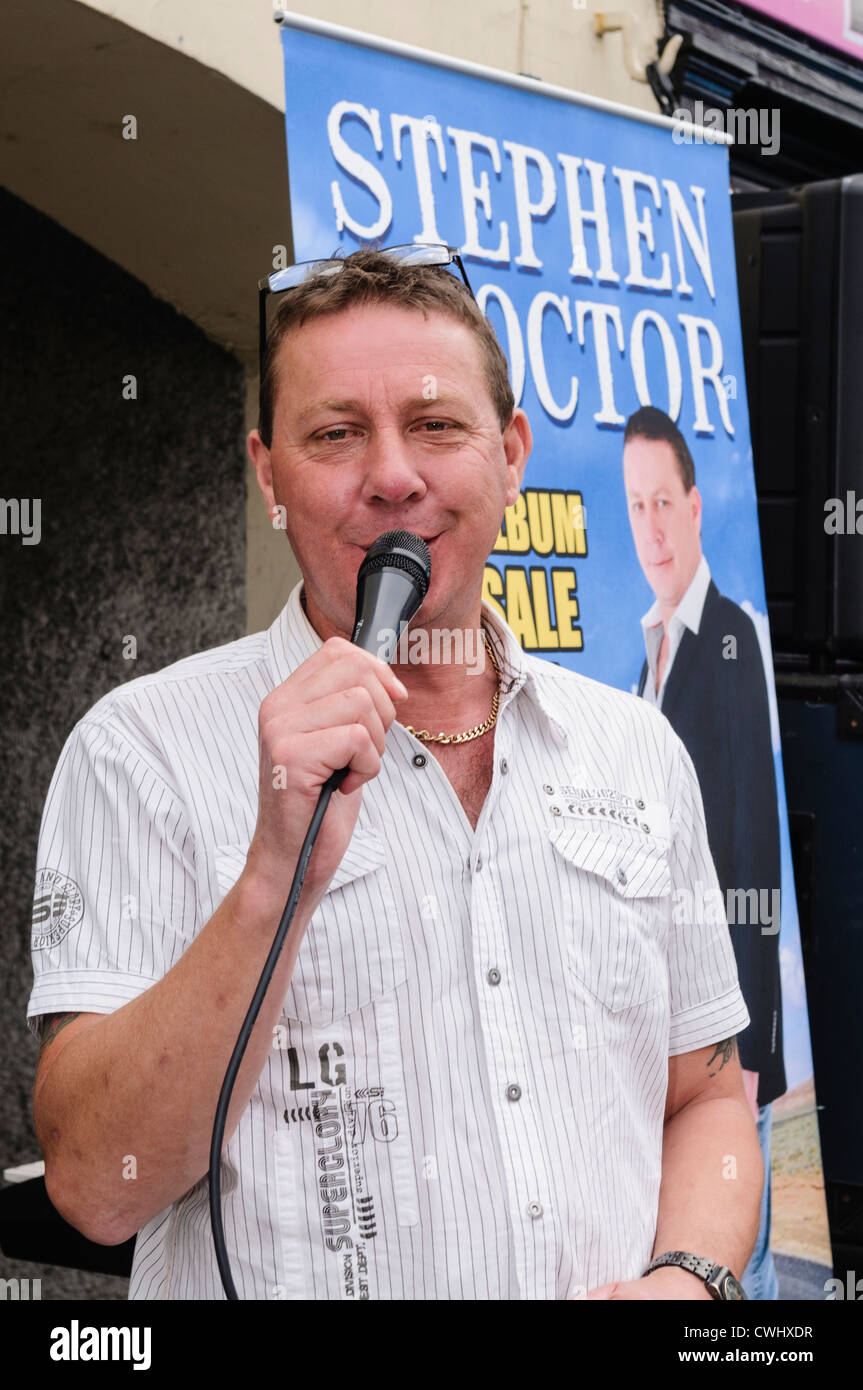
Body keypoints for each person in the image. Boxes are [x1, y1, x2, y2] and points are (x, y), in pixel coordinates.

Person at [28, 249, 761, 1301]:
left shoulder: (635, 747)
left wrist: (686, 1282)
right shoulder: (139, 748)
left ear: (510, 456)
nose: (391, 474)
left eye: (434, 426)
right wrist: (272, 876)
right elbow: (98, 1185)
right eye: (334, 434)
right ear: (268, 475)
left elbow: (705, 1098)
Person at [622, 405, 786, 1301]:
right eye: (633, 506)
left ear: (693, 506)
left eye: (662, 503)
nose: (648, 527)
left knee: (736, 1288)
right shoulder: (641, 658)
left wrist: (751, 1037)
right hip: (660, 1048)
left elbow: (751, 847)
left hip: (726, 1051)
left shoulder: (731, 638)